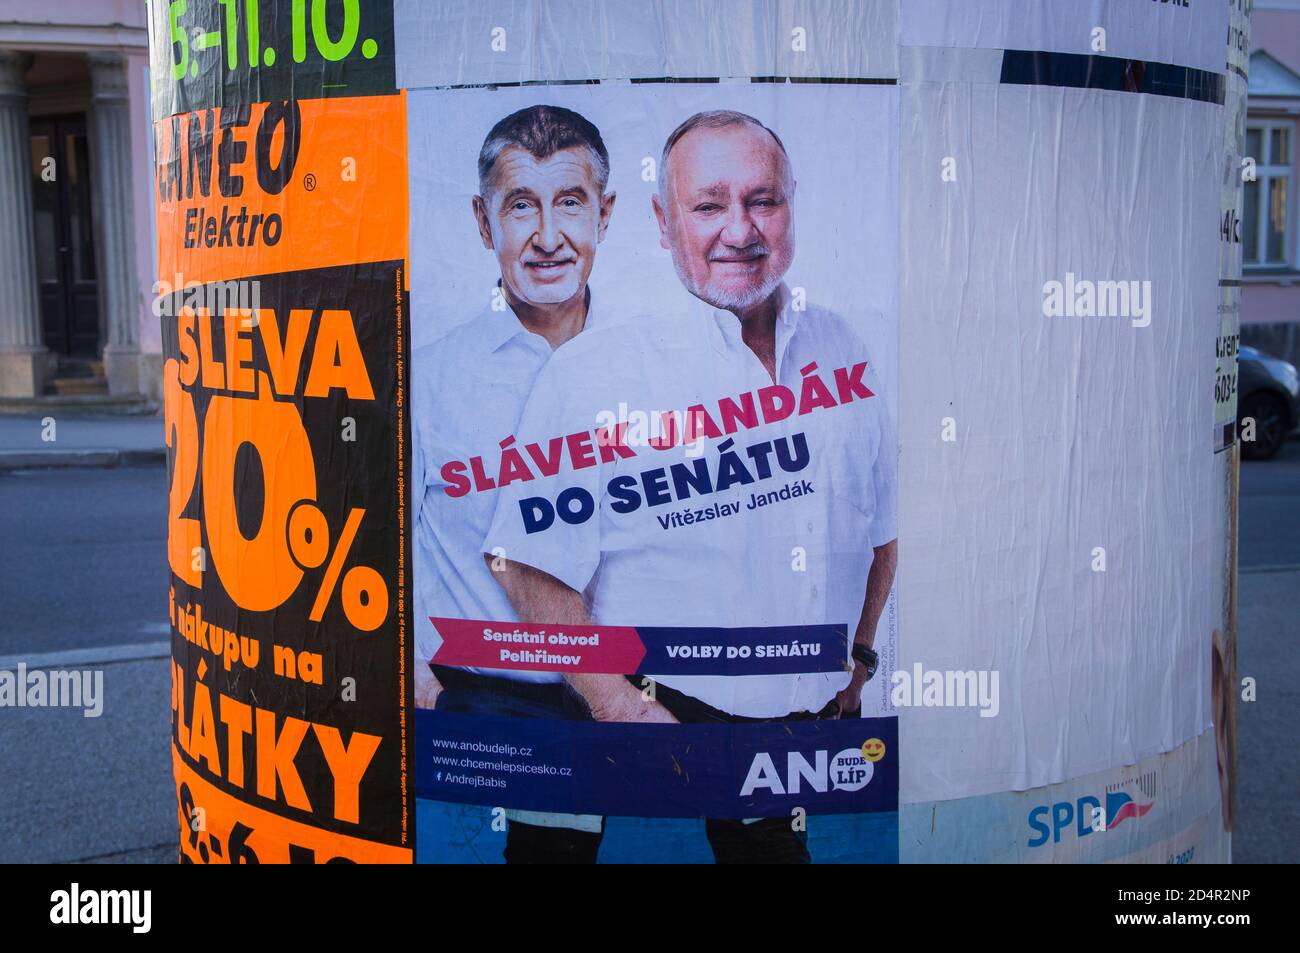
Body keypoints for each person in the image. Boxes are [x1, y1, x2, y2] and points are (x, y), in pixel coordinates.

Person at [484, 110, 898, 863]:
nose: (739, 229)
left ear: (792, 203)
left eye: (762, 200)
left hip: (785, 746)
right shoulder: (593, 372)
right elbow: (524, 559)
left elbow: (880, 531)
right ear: (663, 221)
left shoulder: (843, 348)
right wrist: (616, 703)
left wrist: (860, 658)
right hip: (634, 718)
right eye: (708, 205)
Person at [412, 104, 617, 862]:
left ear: (607, 213)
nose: (548, 236)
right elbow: (384, 536)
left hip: (616, 692)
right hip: (479, 700)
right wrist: (411, 669)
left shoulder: (655, 366)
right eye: (520, 205)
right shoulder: (431, 375)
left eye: (570, 202)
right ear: (482, 220)